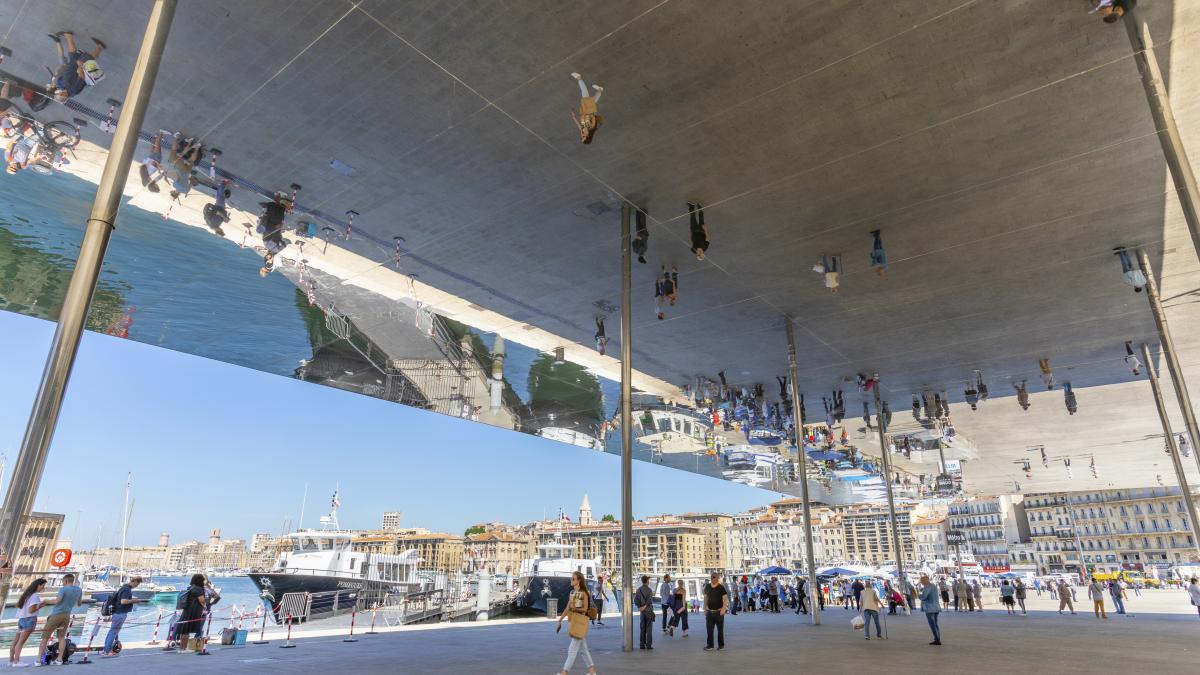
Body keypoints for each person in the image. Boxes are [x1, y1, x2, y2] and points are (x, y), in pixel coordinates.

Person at [556, 571, 597, 675]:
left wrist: (573, 607)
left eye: (573, 579)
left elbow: (583, 609)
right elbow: (567, 608)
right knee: (584, 650)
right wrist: (560, 620)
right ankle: (592, 673)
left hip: (579, 623)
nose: (571, 580)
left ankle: (563, 673)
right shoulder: (572, 593)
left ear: (579, 581)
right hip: (574, 622)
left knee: (572, 650)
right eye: (571, 578)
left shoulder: (581, 593)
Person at [37, 573, 82, 665]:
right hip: (66, 615)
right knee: (61, 637)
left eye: (62, 582)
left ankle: (38, 660)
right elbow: (79, 603)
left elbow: (57, 601)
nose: (62, 584)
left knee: (45, 637)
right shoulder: (78, 589)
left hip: (56, 615)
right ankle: (59, 659)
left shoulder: (63, 589)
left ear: (65, 581)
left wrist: (45, 601)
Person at [47, 31, 105, 102]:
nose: (59, 92)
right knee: (90, 57)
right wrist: (80, 66)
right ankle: (100, 46)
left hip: (72, 65)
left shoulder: (65, 89)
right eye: (59, 94)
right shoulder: (74, 90)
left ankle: (69, 36)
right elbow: (81, 77)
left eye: (57, 93)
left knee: (72, 53)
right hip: (78, 66)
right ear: (62, 95)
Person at [102, 576, 144, 656]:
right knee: (113, 632)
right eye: (137, 584)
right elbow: (123, 601)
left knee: (112, 631)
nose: (137, 586)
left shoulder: (123, 588)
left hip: (117, 612)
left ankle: (106, 649)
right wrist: (134, 601)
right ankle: (107, 651)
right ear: (134, 581)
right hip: (120, 613)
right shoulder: (127, 589)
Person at [9, 578, 45, 667]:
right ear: (38, 585)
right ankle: (17, 662)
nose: (43, 588)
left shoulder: (27, 594)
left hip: (21, 619)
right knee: (21, 642)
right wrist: (41, 605)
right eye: (43, 586)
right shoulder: (35, 596)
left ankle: (11, 660)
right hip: (29, 620)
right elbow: (31, 610)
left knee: (16, 641)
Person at [174, 574, 208, 652]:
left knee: (184, 631)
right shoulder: (198, 589)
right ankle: (185, 649)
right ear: (199, 580)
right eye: (202, 580)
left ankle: (182, 648)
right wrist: (205, 607)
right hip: (193, 611)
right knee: (186, 631)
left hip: (187, 610)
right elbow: (202, 600)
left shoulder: (191, 587)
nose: (203, 581)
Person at [569, 72, 602, 144]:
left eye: (581, 137)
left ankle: (600, 90)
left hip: (584, 111)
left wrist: (573, 117)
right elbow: (593, 118)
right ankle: (579, 78)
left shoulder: (582, 130)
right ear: (587, 136)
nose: (582, 135)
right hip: (589, 110)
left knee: (593, 100)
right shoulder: (591, 127)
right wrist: (589, 114)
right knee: (585, 95)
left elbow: (578, 124)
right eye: (583, 137)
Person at [702, 572, 728, 651]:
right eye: (711, 577)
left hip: (718, 612)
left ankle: (721, 646)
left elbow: (725, 599)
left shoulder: (721, 587)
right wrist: (704, 608)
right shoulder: (708, 586)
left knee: (720, 630)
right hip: (709, 612)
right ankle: (710, 646)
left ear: (717, 578)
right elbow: (705, 597)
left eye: (714, 577)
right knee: (709, 630)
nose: (712, 578)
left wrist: (723, 609)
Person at [919, 574, 942, 646]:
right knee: (935, 624)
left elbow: (924, 597)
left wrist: (919, 595)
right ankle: (937, 638)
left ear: (926, 580)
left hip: (930, 608)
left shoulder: (927, 587)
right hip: (936, 607)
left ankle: (937, 640)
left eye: (922, 581)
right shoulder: (934, 586)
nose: (921, 582)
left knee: (932, 625)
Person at [634, 575, 654, 650]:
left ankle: (642, 644)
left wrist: (640, 607)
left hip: (642, 612)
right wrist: (645, 607)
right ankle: (648, 645)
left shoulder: (638, 590)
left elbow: (635, 600)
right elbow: (649, 601)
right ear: (647, 581)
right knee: (649, 628)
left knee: (642, 628)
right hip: (648, 611)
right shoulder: (649, 590)